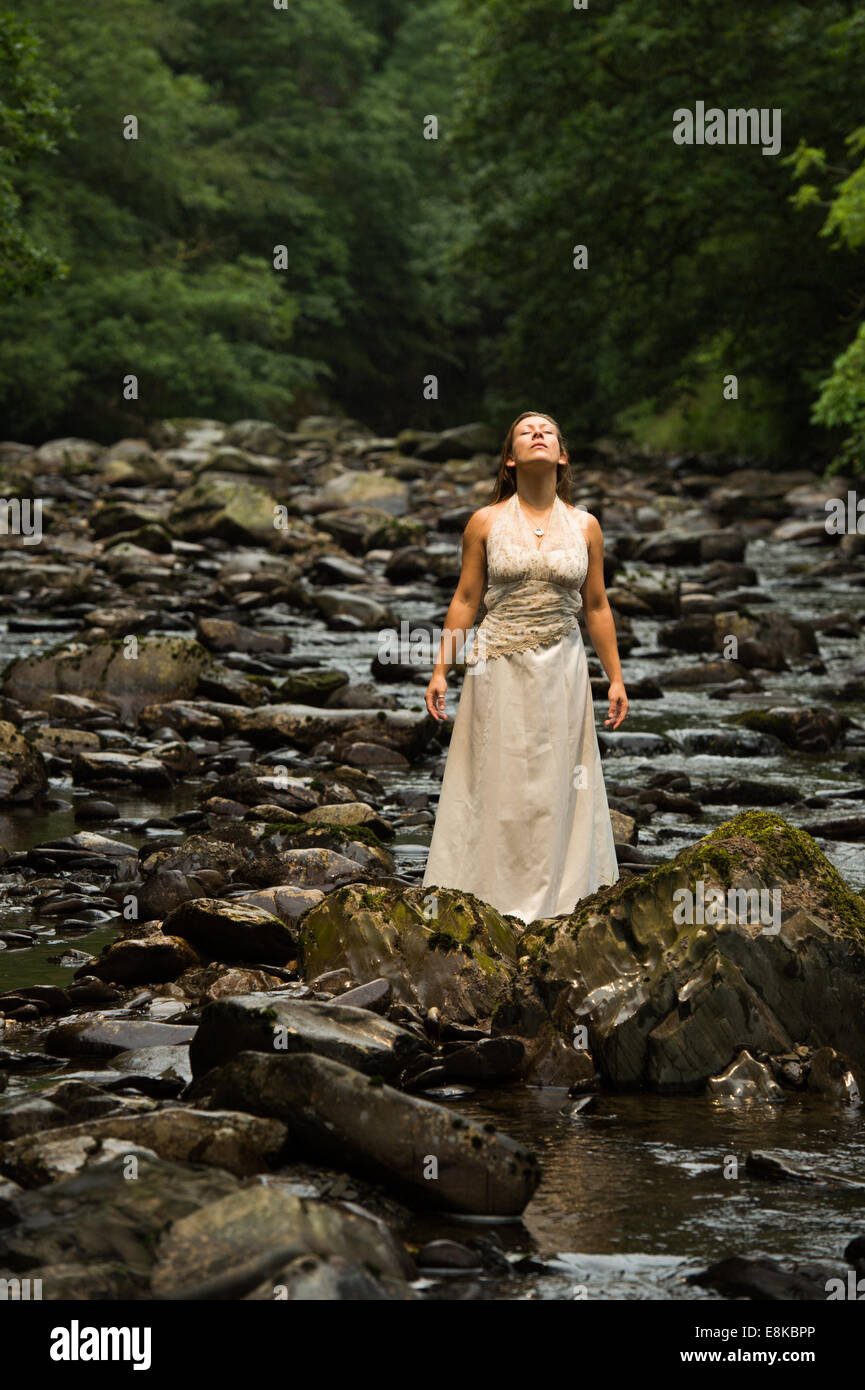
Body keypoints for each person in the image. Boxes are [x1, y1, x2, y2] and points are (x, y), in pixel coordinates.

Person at [421, 410, 628, 925]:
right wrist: (441, 669)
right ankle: (485, 896)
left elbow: (597, 605)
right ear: (511, 459)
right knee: (498, 778)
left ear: (561, 455)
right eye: (525, 431)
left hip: (565, 666)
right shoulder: (485, 521)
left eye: (549, 430)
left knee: (560, 780)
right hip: (498, 666)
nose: (538, 433)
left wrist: (616, 678)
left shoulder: (586, 526)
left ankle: (559, 899)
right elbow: (467, 598)